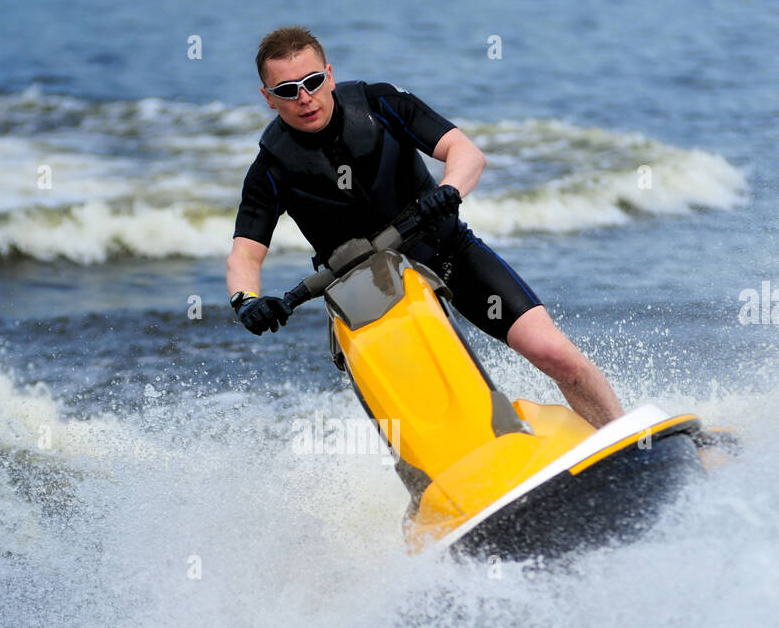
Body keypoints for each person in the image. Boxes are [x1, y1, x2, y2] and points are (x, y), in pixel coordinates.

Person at [226, 26, 623, 428]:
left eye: (312, 82)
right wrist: (246, 301)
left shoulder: (380, 103)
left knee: (552, 353)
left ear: (328, 75)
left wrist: (448, 190)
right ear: (268, 98)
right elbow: (245, 253)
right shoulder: (270, 169)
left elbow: (465, 152)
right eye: (288, 90)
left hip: (449, 252)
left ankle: (626, 439)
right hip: (369, 296)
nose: (305, 98)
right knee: (434, 407)